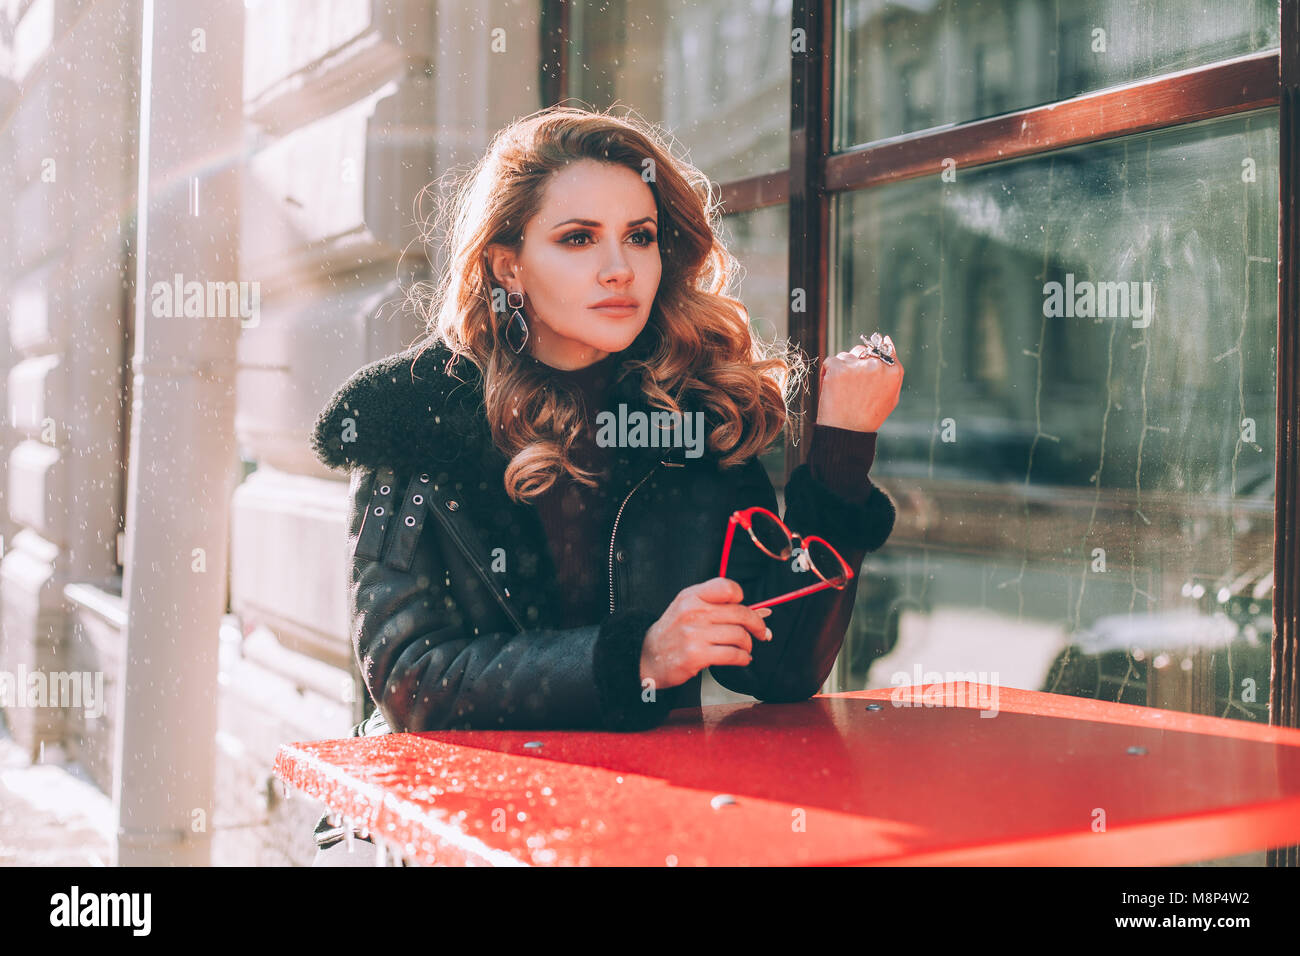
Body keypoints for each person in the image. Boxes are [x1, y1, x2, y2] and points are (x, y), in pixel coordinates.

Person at [306, 105, 904, 865]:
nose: (619, 268)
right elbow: (412, 677)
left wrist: (844, 449)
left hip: (647, 829)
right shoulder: (417, 417)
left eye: (641, 237)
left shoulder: (694, 418)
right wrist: (641, 658)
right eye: (578, 238)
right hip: (463, 830)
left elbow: (779, 667)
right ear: (508, 265)